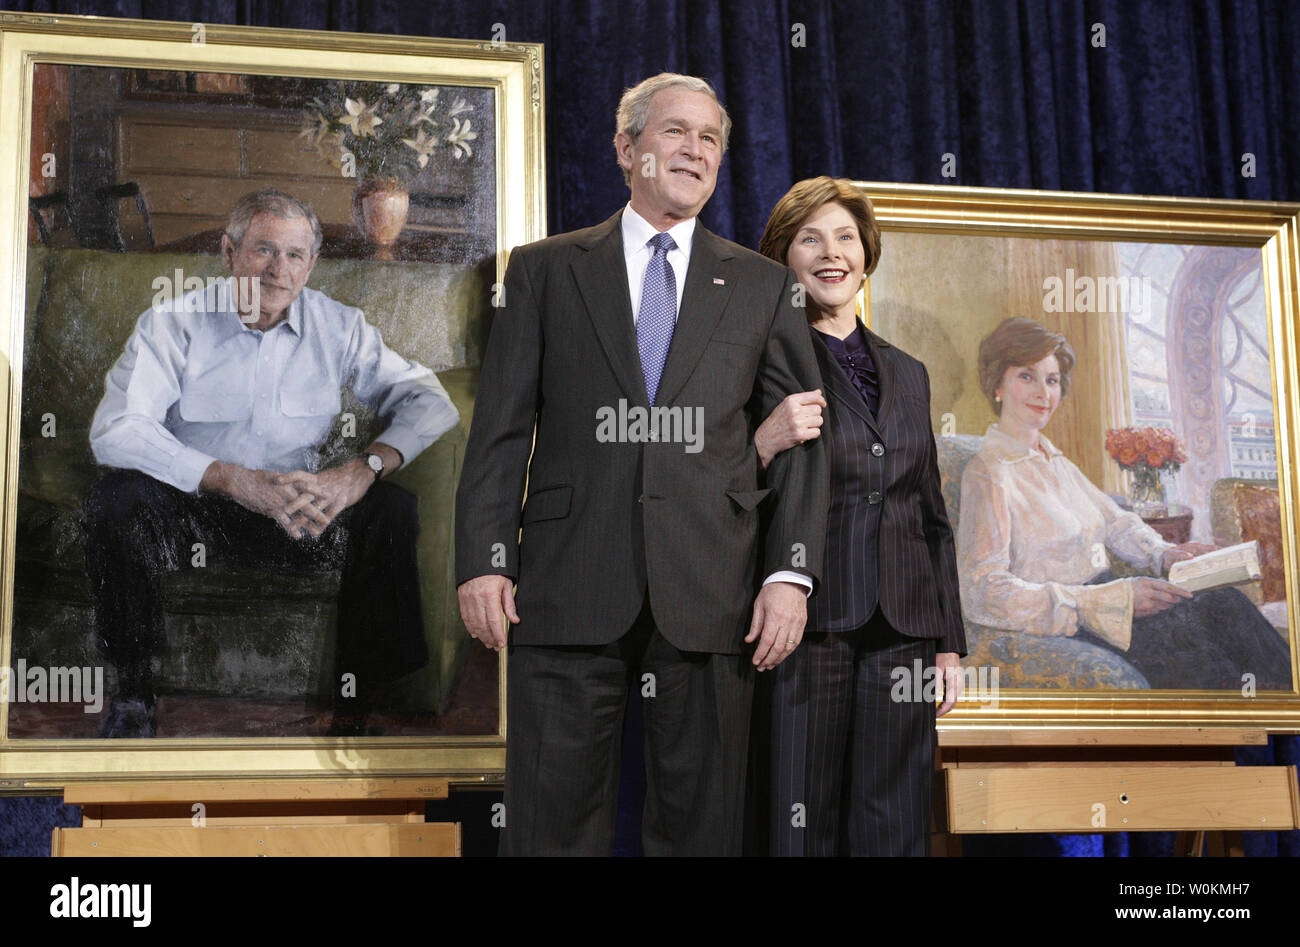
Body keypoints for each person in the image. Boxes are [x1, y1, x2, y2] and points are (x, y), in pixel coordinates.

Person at [455, 73, 829, 856]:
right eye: (675, 132)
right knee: (550, 823)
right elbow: (499, 430)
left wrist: (788, 575)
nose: (694, 150)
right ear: (627, 150)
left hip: (711, 586)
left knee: (701, 828)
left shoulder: (764, 288)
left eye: (711, 138)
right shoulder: (543, 271)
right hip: (565, 580)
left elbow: (800, 440)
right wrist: (485, 559)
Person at [85, 188, 460, 738]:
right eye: (263, 250)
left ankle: (357, 708)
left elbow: (430, 399)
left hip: (296, 508)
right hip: (197, 506)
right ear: (228, 252)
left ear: (310, 264)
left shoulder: (340, 327)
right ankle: (134, 694)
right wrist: (229, 478)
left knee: (390, 509)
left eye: (294, 255)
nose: (277, 270)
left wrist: (362, 470)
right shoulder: (174, 322)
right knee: (114, 503)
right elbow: (116, 429)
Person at [750, 176, 966, 856]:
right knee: (799, 820)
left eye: (845, 236)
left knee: (895, 824)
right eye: (809, 238)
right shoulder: (760, 359)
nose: (830, 252)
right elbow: (705, 485)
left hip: (904, 626)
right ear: (783, 256)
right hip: (805, 626)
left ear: (866, 255)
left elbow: (931, 514)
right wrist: (763, 441)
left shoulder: (909, 372)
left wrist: (950, 644)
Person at [957, 317, 1291, 690]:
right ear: (997, 385)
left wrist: (1164, 554)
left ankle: (1291, 737)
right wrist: (1100, 601)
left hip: (1118, 599)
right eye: (1026, 376)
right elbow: (983, 591)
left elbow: (1117, 522)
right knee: (1213, 661)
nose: (1043, 392)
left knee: (1226, 604)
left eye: (1051, 380)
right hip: (1079, 621)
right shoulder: (989, 473)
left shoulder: (1058, 463)